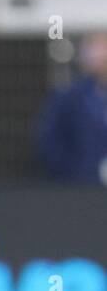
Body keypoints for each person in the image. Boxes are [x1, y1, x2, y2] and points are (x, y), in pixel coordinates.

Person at [37, 31, 107, 185]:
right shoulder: (69, 97)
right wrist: (77, 172)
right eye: (92, 46)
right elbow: (49, 142)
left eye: (103, 46)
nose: (97, 54)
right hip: (82, 188)